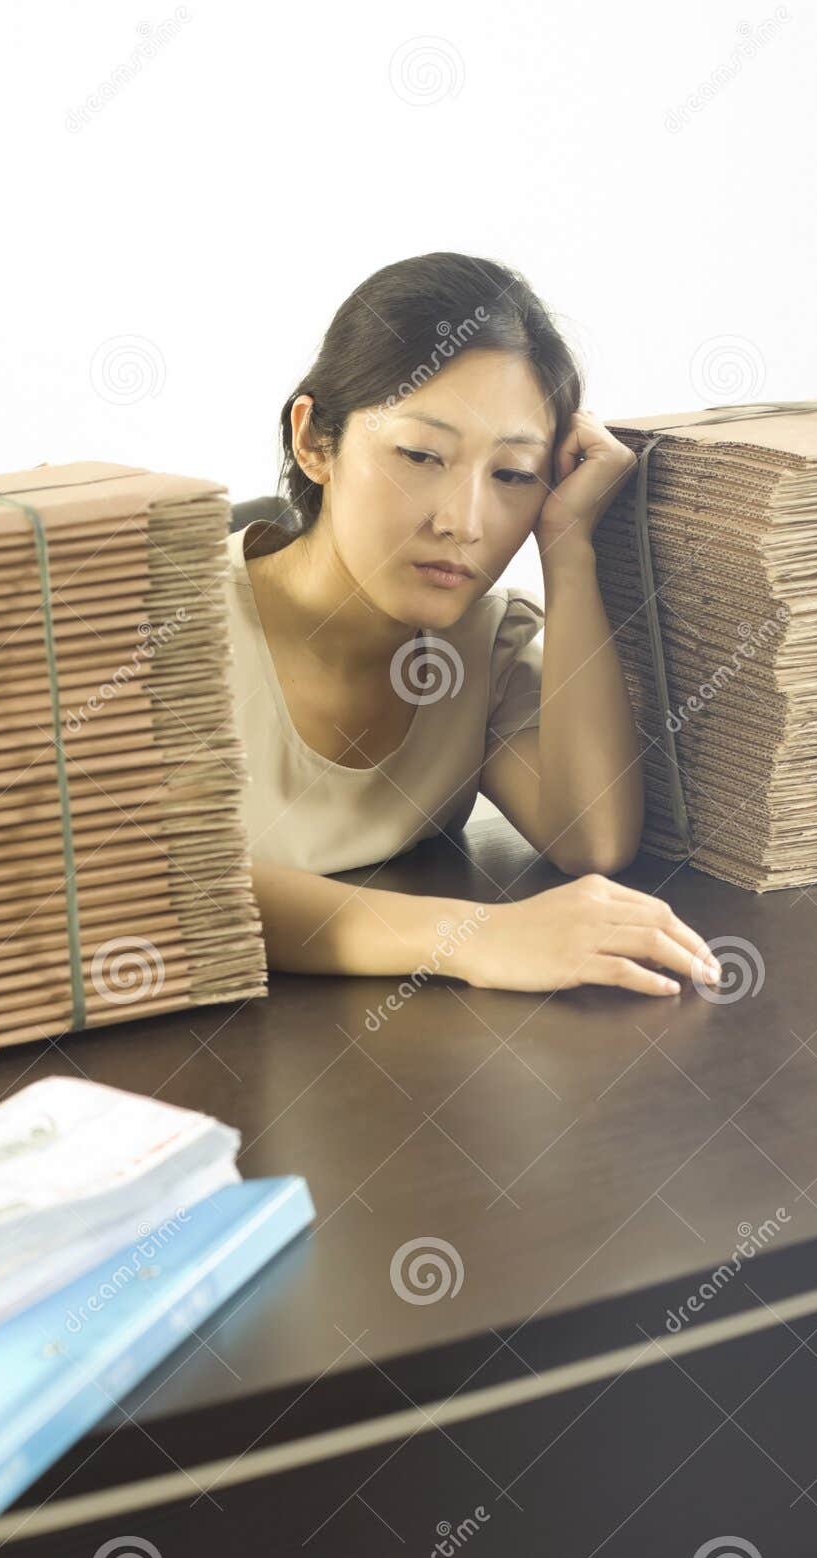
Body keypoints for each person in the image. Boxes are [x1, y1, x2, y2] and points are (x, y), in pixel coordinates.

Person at [224, 252, 721, 999]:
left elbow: (592, 836)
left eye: (514, 475)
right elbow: (161, 882)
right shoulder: (162, 628)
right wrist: (472, 936)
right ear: (315, 442)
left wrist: (569, 549)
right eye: (420, 455)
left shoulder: (480, 647)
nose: (464, 523)